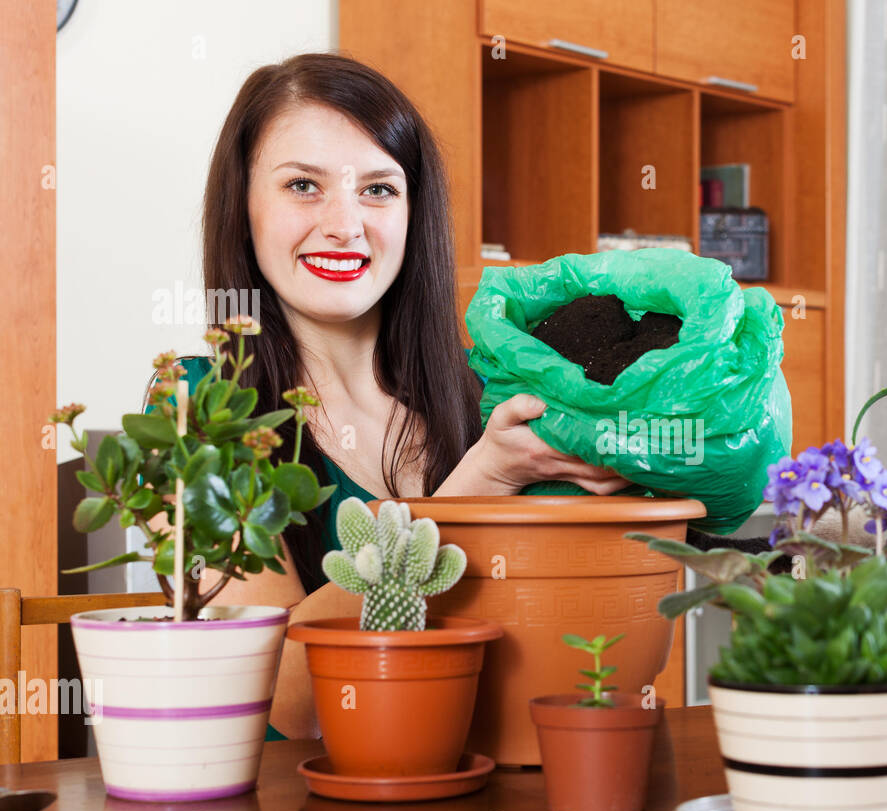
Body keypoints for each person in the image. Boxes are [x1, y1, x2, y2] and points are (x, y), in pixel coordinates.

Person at [151, 53, 629, 737]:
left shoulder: (487, 394)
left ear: (414, 213)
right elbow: (284, 695)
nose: (345, 224)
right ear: (243, 205)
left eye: (378, 189)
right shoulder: (193, 413)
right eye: (303, 186)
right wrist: (474, 491)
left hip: (498, 798)